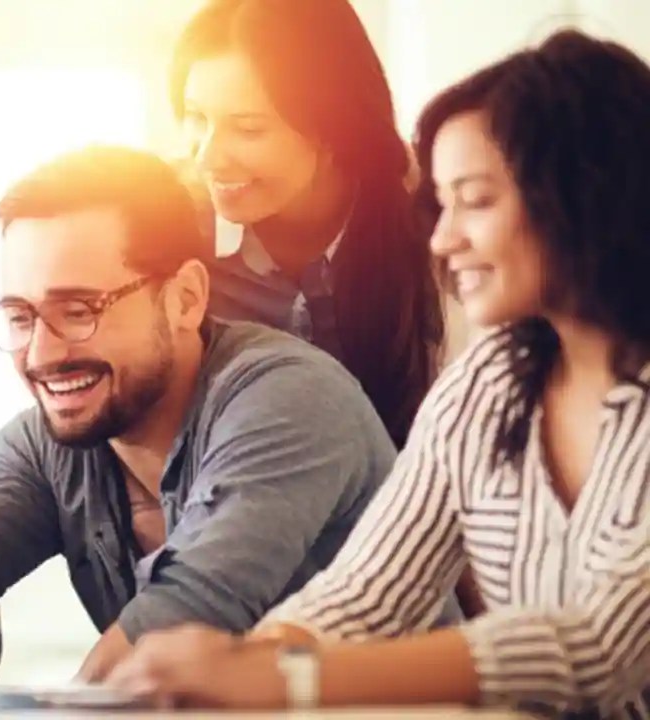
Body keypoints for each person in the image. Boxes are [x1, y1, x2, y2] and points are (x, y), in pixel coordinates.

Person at [106, 30, 650, 719]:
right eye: (443, 204)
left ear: (589, 193)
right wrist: (250, 661)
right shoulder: (486, 384)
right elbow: (366, 590)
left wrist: (288, 683)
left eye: (476, 201)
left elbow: (598, 646)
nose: (444, 239)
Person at [0, 145, 398, 682]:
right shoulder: (51, 441)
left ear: (184, 297)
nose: (41, 353)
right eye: (20, 316)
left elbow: (194, 606)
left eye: (78, 310)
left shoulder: (285, 398)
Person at [170, 0, 445, 449]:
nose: (208, 157)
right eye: (196, 118)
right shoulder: (173, 224)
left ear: (332, 126)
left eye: (248, 128)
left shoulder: (433, 216)